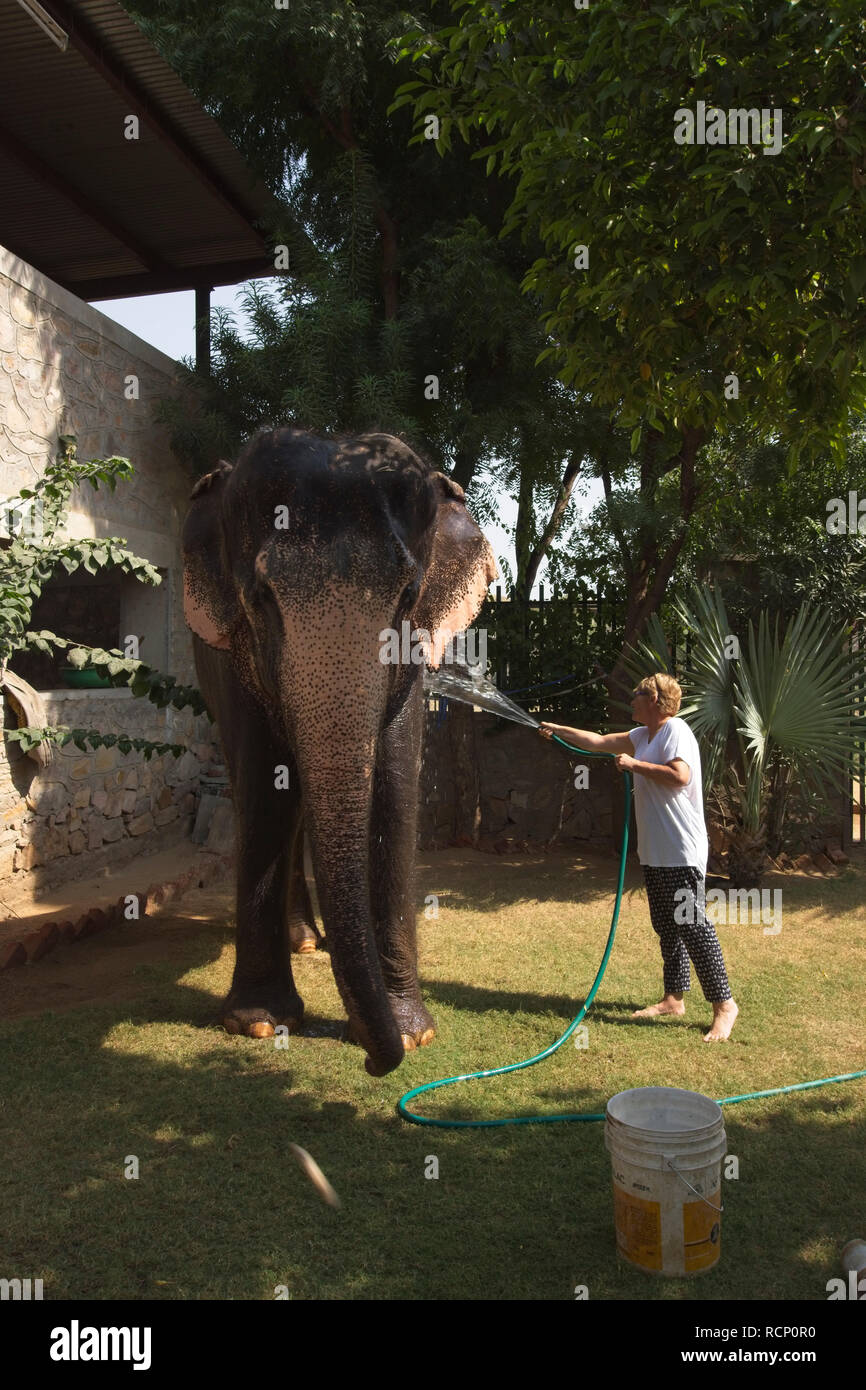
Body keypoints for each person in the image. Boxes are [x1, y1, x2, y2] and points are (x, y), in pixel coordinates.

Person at [539, 673, 738, 1042]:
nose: (631, 698)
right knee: (667, 927)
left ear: (657, 700)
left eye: (638, 694)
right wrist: (557, 730)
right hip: (655, 850)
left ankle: (724, 1005)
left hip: (681, 848)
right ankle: (673, 998)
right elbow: (597, 741)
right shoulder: (641, 736)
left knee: (693, 925)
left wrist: (634, 767)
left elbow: (680, 776)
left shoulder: (674, 730)